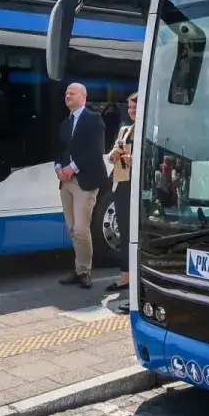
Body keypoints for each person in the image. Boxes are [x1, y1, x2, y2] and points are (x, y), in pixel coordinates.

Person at [55, 82, 107, 289]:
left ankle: (85, 271)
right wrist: (59, 167)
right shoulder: (65, 124)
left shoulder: (94, 120)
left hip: (85, 181)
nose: (67, 96)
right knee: (72, 229)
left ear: (83, 96)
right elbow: (60, 149)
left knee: (80, 228)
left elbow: (96, 151)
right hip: (65, 182)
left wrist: (72, 168)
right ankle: (78, 270)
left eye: (71, 93)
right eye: (66, 93)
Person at [107, 92, 137, 292]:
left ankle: (136, 279)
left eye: (135, 107)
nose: (131, 111)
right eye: (129, 107)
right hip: (123, 184)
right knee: (124, 232)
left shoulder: (153, 130)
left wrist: (136, 160)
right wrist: (115, 155)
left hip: (140, 186)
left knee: (138, 233)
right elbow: (111, 156)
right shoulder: (125, 131)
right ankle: (125, 277)